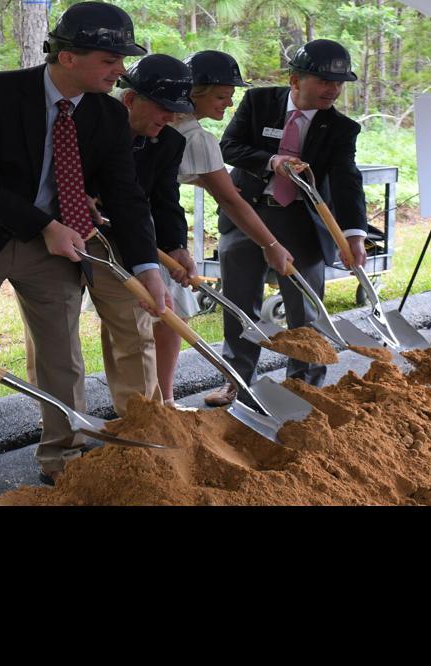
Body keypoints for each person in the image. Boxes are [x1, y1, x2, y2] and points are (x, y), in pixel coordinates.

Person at [0, 1, 170, 496]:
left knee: (62, 354)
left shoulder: (107, 114)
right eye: (110, 61)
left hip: (55, 248)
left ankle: (61, 452)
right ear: (68, 57)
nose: (121, 71)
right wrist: (43, 224)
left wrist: (148, 265)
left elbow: (125, 194)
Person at [208, 39, 366, 405]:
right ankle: (237, 381)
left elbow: (347, 180)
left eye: (339, 83)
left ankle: (304, 386)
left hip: (302, 222)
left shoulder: (342, 128)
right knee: (238, 303)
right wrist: (271, 161)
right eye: (325, 80)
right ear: (296, 80)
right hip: (246, 214)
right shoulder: (259, 103)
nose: (334, 89)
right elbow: (228, 147)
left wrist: (354, 234)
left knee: (305, 310)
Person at [155, 50, 297, 407]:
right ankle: (162, 402)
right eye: (220, 96)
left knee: (155, 320)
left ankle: (158, 401)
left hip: (144, 225)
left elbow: (205, 183)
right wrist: (270, 244)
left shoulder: (158, 120)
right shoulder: (196, 137)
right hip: (154, 232)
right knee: (168, 317)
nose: (228, 103)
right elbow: (231, 200)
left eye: (231, 96)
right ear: (193, 92)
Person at [87, 54, 192, 411]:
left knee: (135, 324)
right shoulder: (86, 120)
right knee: (54, 336)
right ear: (130, 99)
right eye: (164, 107)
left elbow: (165, 201)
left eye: (177, 110)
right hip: (56, 233)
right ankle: (58, 421)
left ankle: (142, 417)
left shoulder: (169, 143)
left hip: (122, 238)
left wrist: (176, 245)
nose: (171, 118)